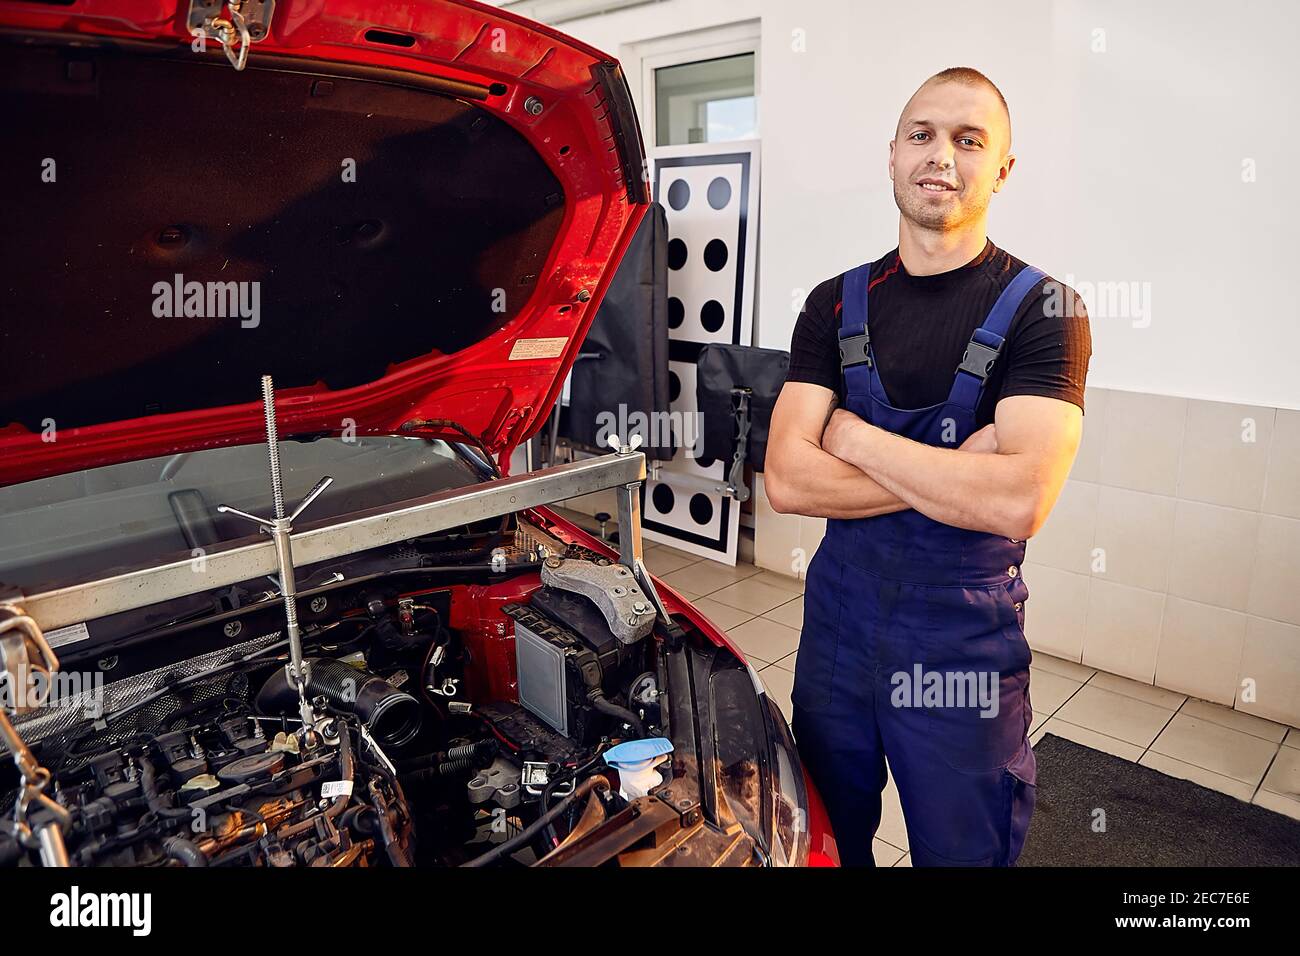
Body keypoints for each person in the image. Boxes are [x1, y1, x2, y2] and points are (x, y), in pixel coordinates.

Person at [764, 67, 1091, 866]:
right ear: (893, 154)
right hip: (835, 634)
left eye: (968, 139)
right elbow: (786, 482)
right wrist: (952, 472)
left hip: (959, 651)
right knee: (826, 841)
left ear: (1001, 169)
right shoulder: (832, 303)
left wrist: (854, 437)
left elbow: (1018, 500)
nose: (940, 155)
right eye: (923, 134)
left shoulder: (1049, 310)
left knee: (963, 850)